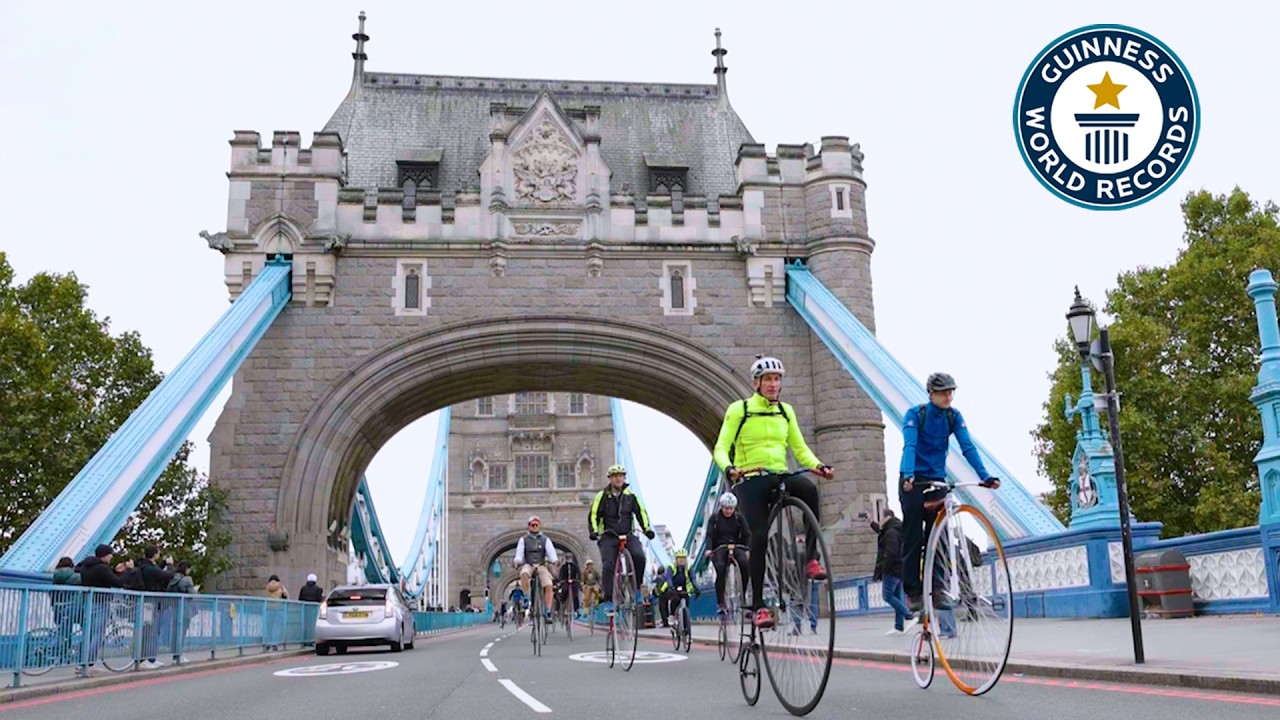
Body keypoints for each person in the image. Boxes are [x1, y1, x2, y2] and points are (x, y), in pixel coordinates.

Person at [712, 355, 834, 629]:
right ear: (756, 383)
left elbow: (799, 448)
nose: (773, 384)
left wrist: (818, 465)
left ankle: (811, 559)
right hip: (751, 478)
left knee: (809, 490)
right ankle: (758, 606)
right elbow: (721, 447)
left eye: (777, 379)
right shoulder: (740, 410)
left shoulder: (786, 411)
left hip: (780, 473)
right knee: (759, 536)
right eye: (767, 379)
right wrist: (729, 468)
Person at [898, 372, 1000, 616]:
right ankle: (913, 593)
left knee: (940, 535)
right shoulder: (915, 415)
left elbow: (967, 447)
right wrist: (909, 474)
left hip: (937, 479)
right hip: (913, 481)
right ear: (931, 393)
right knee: (913, 534)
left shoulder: (954, 417)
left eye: (951, 392)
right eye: (943, 392)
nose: (948, 396)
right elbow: (910, 446)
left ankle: (938, 589)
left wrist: (985, 476)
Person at [588, 464, 655, 615]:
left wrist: (647, 529)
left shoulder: (631, 496)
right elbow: (594, 514)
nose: (618, 479)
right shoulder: (602, 496)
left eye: (620, 476)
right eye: (615, 476)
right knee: (608, 565)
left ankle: (636, 588)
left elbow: (641, 513)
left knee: (639, 556)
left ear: (624, 478)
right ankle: (608, 600)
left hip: (627, 534)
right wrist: (594, 531)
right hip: (609, 535)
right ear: (610, 479)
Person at [74, 544, 124, 677]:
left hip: (88, 602)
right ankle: (89, 664)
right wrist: (126, 571)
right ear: (105, 555)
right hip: (101, 602)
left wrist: (114, 571)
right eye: (110, 554)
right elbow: (117, 582)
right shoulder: (102, 568)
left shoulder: (86, 566)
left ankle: (81, 663)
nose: (111, 556)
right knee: (98, 634)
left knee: (88, 633)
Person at [704, 491, 751, 614]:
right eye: (726, 508)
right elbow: (709, 535)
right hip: (719, 547)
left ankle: (742, 595)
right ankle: (721, 603)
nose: (728, 511)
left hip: (736, 546)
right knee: (720, 569)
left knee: (744, 564)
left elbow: (747, 534)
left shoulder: (738, 518)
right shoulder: (714, 519)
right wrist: (708, 549)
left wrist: (748, 548)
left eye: (731, 508)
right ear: (721, 506)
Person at [871, 510, 916, 635]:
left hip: (892, 569)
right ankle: (899, 626)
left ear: (886, 517)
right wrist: (871, 522)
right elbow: (881, 532)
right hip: (900, 568)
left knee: (887, 596)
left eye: (881, 518)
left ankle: (909, 616)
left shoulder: (890, 532)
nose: (880, 521)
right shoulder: (895, 528)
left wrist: (884, 568)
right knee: (897, 597)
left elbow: (892, 552)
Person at [513, 516, 559, 622]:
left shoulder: (545, 539)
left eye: (536, 525)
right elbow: (519, 553)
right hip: (529, 564)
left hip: (541, 565)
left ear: (539, 526)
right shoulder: (523, 540)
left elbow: (551, 552)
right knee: (524, 573)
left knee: (548, 584)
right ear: (529, 526)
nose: (534, 527)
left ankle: (548, 611)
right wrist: (517, 561)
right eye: (532, 525)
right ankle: (526, 597)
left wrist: (554, 560)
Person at [656, 549, 699, 629]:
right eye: (679, 559)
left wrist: (696, 588)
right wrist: (670, 586)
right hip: (672, 587)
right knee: (675, 599)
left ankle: (685, 624)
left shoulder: (689, 567)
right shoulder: (671, 567)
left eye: (683, 559)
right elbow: (668, 578)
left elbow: (693, 578)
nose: (681, 562)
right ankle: (672, 615)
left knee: (686, 601)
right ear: (676, 560)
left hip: (684, 588)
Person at [51, 557, 82, 665]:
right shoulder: (76, 577)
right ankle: (64, 655)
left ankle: (58, 655)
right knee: (86, 626)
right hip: (71, 606)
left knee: (63, 632)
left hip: (57, 606)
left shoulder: (55, 575)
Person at [264, 574, 288, 651]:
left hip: (268, 609)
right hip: (278, 609)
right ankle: (274, 643)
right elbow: (286, 597)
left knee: (268, 627)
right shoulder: (281, 587)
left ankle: (267, 643)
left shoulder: (267, 588)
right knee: (276, 627)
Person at [556, 553, 582, 619]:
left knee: (575, 594)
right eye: (568, 558)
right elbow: (561, 575)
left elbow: (579, 574)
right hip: (565, 581)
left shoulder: (575, 566)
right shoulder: (563, 567)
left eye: (570, 558)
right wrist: (561, 581)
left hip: (573, 581)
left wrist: (579, 580)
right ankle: (563, 604)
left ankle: (576, 609)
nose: (569, 559)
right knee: (564, 590)